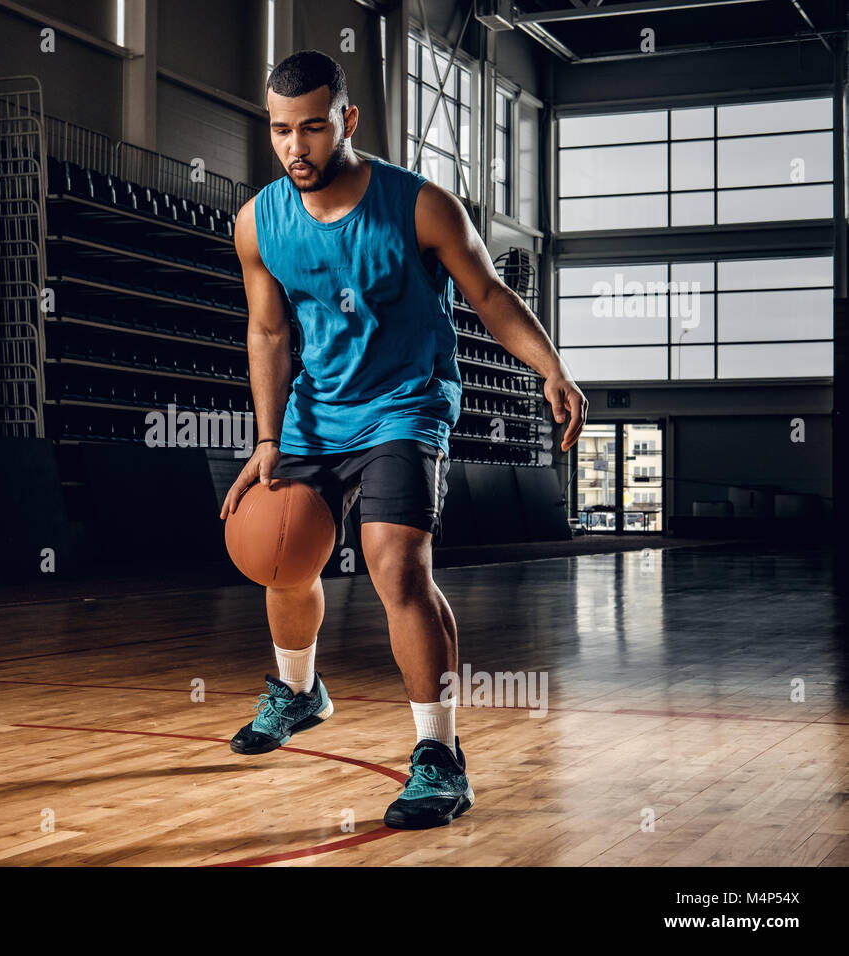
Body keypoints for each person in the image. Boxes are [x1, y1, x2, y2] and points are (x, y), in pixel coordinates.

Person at [218, 50, 587, 829]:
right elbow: (267, 329)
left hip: (405, 405)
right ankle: (297, 692)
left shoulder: (421, 207)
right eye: (281, 130)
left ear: (346, 122)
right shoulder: (258, 223)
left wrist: (550, 367)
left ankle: (439, 757)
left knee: (397, 568)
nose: (296, 147)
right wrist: (266, 438)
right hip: (316, 412)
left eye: (313, 128)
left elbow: (488, 292)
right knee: (285, 560)